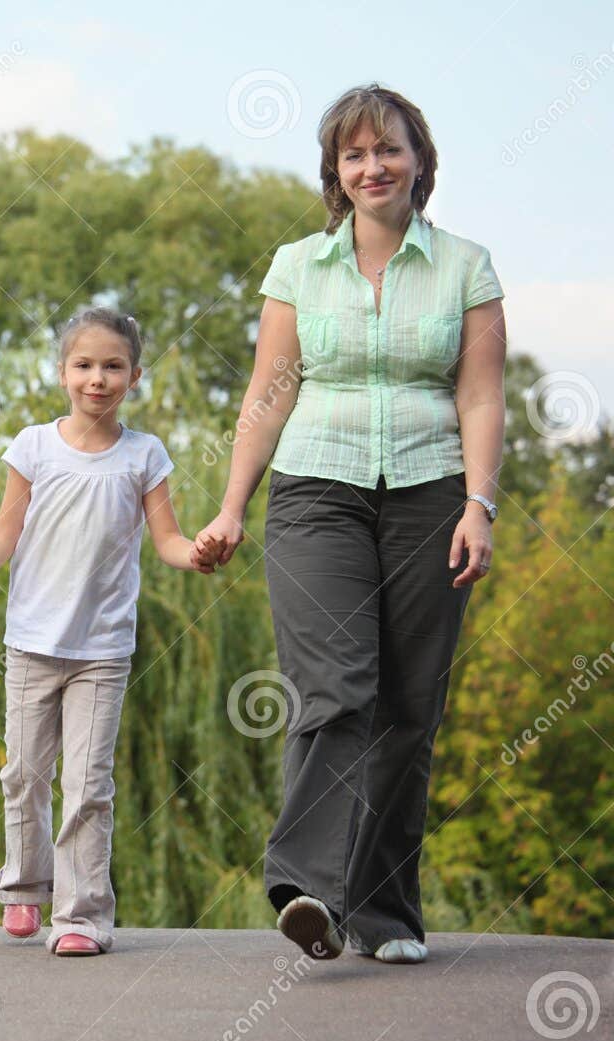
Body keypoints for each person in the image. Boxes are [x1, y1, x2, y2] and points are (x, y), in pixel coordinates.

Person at [195, 84, 506, 965]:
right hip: (314, 490)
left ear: (420, 160)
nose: (374, 167)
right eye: (355, 155)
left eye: (389, 150)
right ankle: (304, 886)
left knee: (409, 707)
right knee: (337, 685)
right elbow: (269, 393)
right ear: (336, 173)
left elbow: (480, 393)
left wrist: (479, 503)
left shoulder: (466, 266)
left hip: (431, 493)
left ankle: (383, 914)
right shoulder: (300, 265)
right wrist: (229, 504)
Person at [0, 307, 216, 956]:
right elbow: (4, 532)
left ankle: (81, 914)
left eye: (113, 366)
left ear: (135, 376)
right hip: (31, 642)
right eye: (84, 365)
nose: (98, 378)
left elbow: (166, 540)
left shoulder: (146, 455)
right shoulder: (33, 446)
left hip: (103, 650)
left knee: (88, 784)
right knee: (24, 773)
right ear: (62, 373)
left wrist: (197, 551)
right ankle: (25, 886)